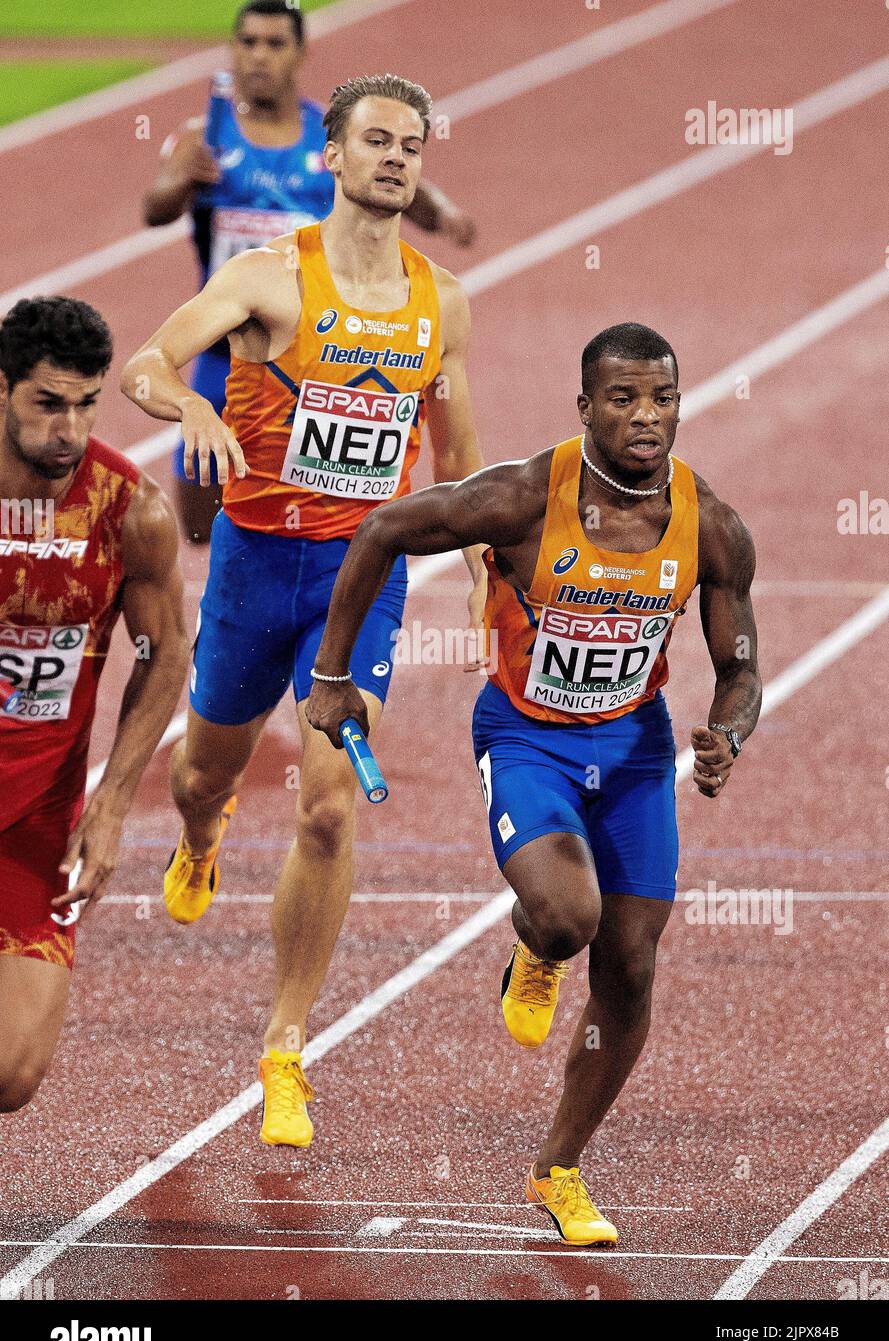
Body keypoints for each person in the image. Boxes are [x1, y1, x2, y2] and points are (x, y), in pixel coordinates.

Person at [305, 322, 762, 1246]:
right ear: (584, 406)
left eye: (662, 399)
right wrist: (329, 676)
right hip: (527, 739)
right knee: (565, 916)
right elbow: (384, 527)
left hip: (634, 752)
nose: (645, 417)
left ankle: (557, 1170)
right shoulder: (522, 498)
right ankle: (535, 946)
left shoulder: (708, 523)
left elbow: (741, 667)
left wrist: (726, 734)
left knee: (631, 964)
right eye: (623, 399)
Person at [122, 73, 487, 1150]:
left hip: (360, 579)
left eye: (411, 145)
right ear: (331, 156)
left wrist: (477, 559)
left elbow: (457, 451)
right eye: (375, 140)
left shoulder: (442, 303)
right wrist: (190, 399)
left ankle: (285, 1048)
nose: (394, 158)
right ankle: (200, 835)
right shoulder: (268, 278)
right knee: (203, 773)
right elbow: (146, 360)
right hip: (251, 568)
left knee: (331, 802)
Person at [144, 0, 477, 544]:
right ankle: (222, 581)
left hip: (304, 339)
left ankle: (328, 560)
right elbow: (153, 210)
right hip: (222, 342)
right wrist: (182, 182)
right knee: (200, 489)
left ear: (299, 53)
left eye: (274, 44)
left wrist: (443, 214)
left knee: (307, 470)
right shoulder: (203, 136)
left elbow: (392, 176)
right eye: (247, 42)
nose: (258, 57)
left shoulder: (328, 140)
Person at [0, 297, 189, 1113]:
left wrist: (111, 804)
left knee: (11, 1074)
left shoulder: (130, 511)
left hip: (36, 816)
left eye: (85, 404)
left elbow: (165, 652)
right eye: (47, 403)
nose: (68, 430)